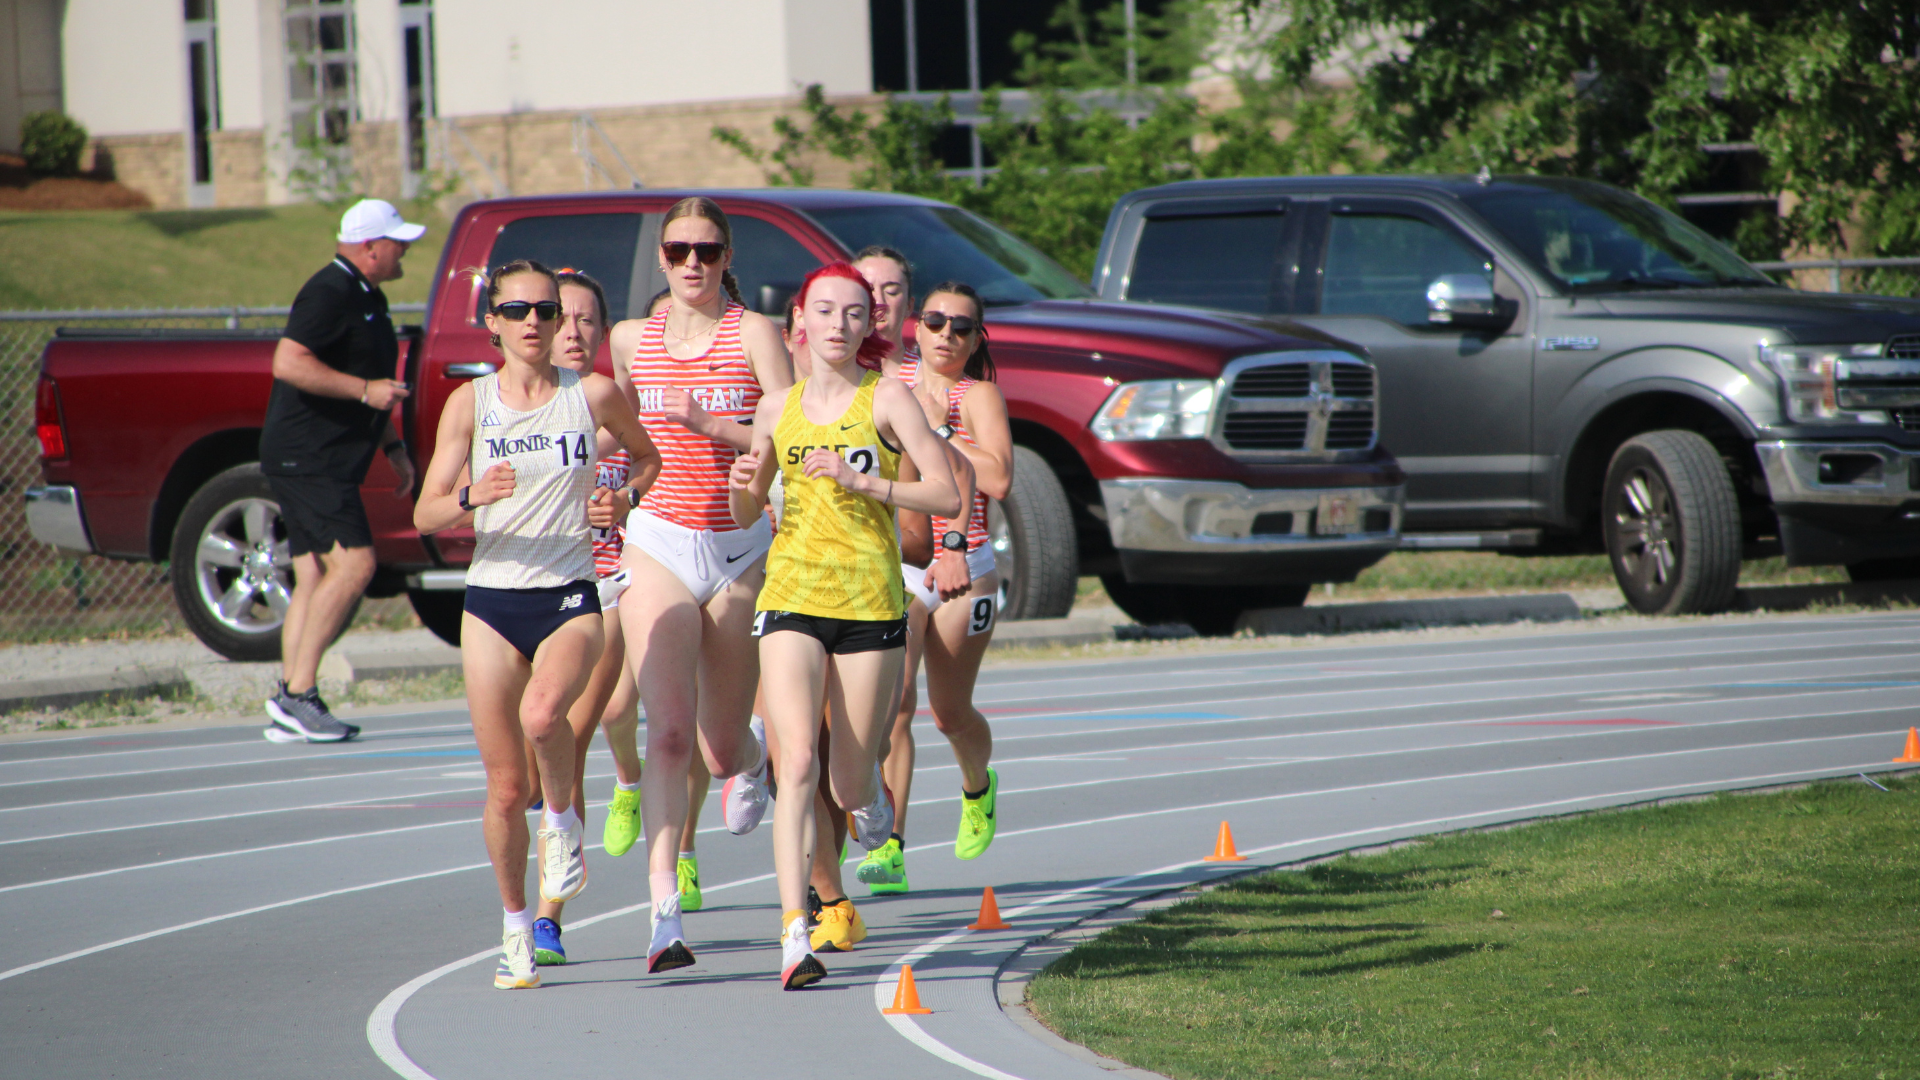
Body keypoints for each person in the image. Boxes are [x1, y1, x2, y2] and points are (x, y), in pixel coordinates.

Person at [414, 259, 661, 991]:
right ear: (492, 323)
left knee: (544, 714)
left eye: (545, 311)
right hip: (491, 598)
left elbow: (646, 459)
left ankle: (562, 824)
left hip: (567, 591)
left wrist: (623, 503)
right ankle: (517, 928)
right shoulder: (471, 404)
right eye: (516, 310)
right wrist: (469, 492)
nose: (533, 322)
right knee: (500, 789)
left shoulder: (592, 395)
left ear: (559, 322)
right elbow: (426, 512)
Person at [729, 260, 960, 989]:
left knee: (849, 780)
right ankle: (796, 935)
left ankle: (871, 802)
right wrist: (743, 490)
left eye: (853, 313)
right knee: (794, 763)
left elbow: (948, 493)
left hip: (870, 605)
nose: (837, 323)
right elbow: (747, 513)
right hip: (792, 597)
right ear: (800, 319)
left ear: (869, 326)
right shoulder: (776, 408)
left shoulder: (887, 399)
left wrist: (868, 482)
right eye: (824, 311)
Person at [607, 196, 792, 974]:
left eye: (707, 251)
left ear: (726, 257)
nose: (693, 264)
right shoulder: (628, 340)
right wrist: (609, 494)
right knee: (669, 734)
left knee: (719, 748)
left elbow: (788, 431)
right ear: (661, 257)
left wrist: (719, 428)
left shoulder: (754, 333)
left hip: (740, 548)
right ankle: (663, 917)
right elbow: (616, 433)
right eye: (679, 249)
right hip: (658, 543)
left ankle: (752, 765)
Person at [860, 282, 1010, 893]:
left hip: (965, 566)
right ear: (916, 327)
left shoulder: (979, 395)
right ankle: (891, 844)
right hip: (899, 566)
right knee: (894, 705)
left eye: (962, 327)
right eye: (936, 321)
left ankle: (978, 787)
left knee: (949, 714)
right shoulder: (889, 387)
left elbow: (998, 477)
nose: (947, 334)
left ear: (976, 340)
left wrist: (939, 432)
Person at [259, 198, 423, 744]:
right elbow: (289, 362)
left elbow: (377, 384)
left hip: (322, 458)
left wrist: (394, 448)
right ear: (368, 247)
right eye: (398, 241)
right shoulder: (328, 290)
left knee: (312, 574)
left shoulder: (367, 295)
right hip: (309, 457)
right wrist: (363, 391)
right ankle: (299, 695)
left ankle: (290, 696)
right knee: (355, 566)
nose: (406, 250)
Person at [515, 269, 639, 965]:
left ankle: (548, 917)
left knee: (572, 732)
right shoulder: (511, 409)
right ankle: (629, 774)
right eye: (560, 317)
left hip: (608, 586)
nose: (572, 330)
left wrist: (625, 499)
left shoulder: (618, 403)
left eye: (587, 319)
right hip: (531, 590)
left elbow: (663, 474)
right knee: (550, 748)